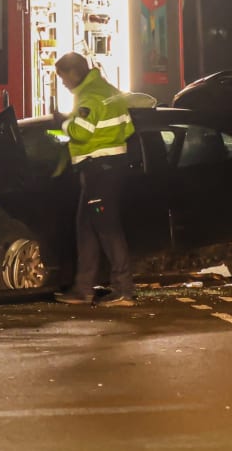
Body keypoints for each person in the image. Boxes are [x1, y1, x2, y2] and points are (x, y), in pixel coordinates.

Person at [52, 52, 137, 307]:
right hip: (108, 168)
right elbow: (129, 128)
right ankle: (83, 289)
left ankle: (124, 290)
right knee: (86, 228)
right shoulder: (110, 91)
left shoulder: (89, 96)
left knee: (107, 228)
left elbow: (80, 132)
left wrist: (63, 122)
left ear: (74, 72)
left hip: (99, 170)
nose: (64, 83)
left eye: (63, 78)